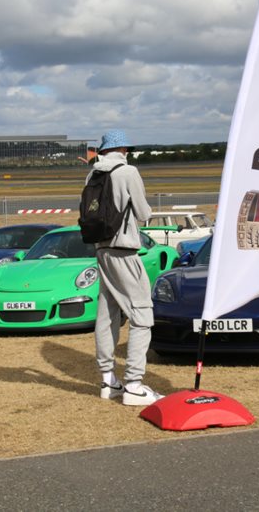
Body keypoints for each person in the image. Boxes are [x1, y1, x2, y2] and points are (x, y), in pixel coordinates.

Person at [86, 129, 163, 406]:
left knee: (107, 315)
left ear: (104, 150)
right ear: (125, 150)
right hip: (124, 250)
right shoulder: (128, 171)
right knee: (142, 315)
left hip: (101, 250)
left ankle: (108, 380)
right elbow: (143, 213)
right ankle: (134, 384)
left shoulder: (93, 174)